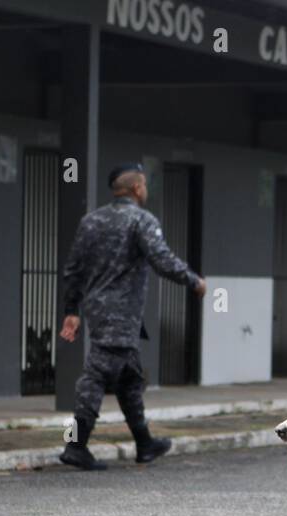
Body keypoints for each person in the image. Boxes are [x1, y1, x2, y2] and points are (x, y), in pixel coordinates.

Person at [58, 162, 207, 470]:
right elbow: (161, 258)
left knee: (129, 378)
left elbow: (72, 269)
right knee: (96, 376)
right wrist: (193, 280)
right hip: (122, 313)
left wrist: (71, 311)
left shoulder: (91, 221)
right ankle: (76, 444)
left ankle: (145, 443)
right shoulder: (141, 220)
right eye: (145, 185)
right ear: (138, 188)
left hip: (98, 311)